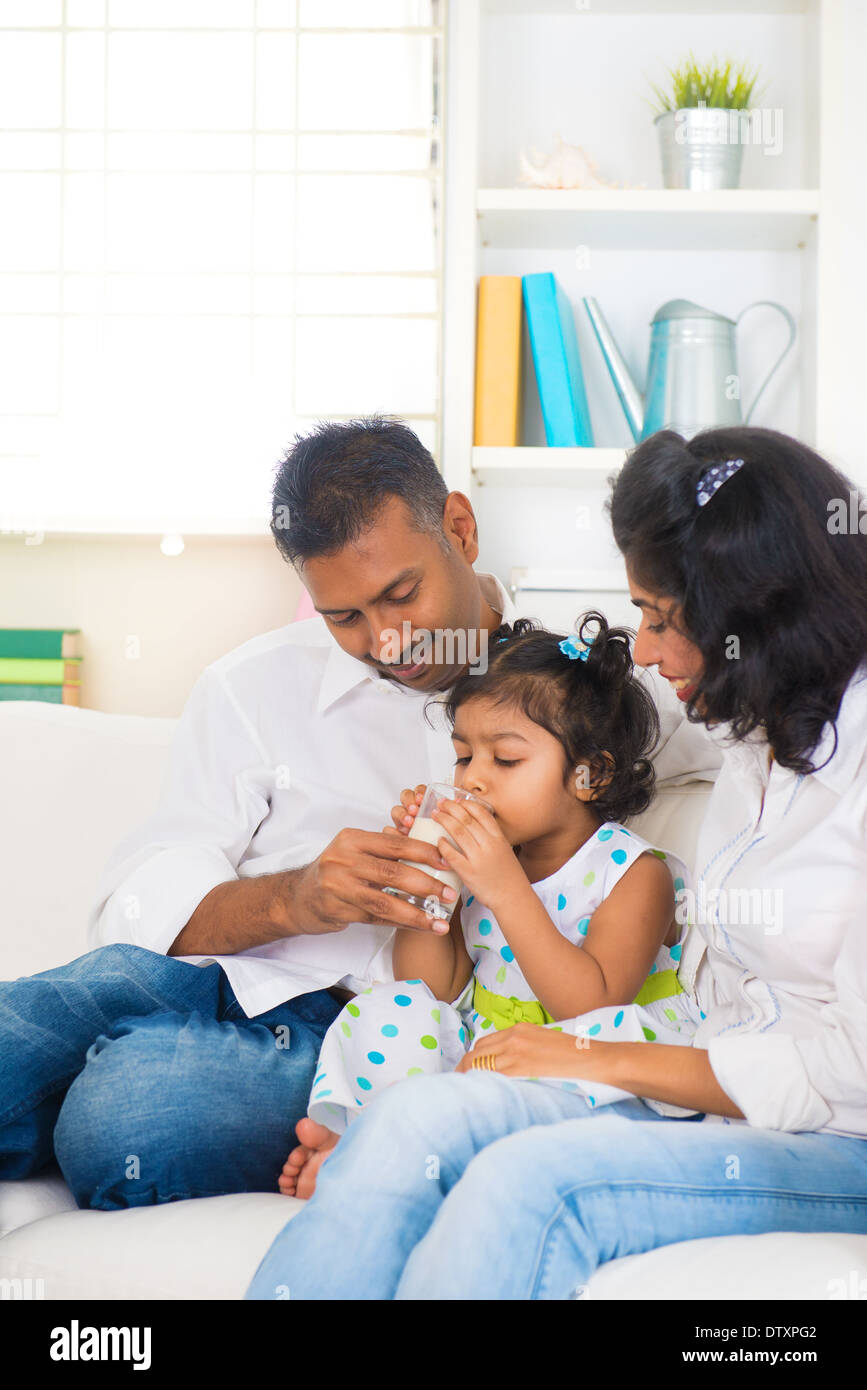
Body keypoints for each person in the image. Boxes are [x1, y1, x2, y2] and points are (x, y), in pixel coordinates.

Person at [0, 417, 720, 1210]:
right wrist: (293, 898)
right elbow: (136, 906)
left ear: (459, 527)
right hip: (232, 984)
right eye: (343, 617)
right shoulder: (250, 688)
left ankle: (112, 1080)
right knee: (95, 989)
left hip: (379, 1043)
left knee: (130, 1115)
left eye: (400, 593)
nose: (387, 639)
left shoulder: (589, 689)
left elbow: (773, 726)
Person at [246, 426, 867, 1301]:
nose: (644, 648)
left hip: (834, 1139)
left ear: (750, 614)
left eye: (660, 617)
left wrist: (591, 1057)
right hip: (702, 1084)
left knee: (520, 1185)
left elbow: (845, 1072)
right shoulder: (754, 738)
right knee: (413, 1116)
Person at [280, 614, 697, 1199]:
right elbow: (433, 985)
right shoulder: (489, 861)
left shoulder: (632, 873)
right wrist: (432, 875)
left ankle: (402, 1156)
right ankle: (368, 1138)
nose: (473, 781)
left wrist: (505, 888)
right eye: (462, 757)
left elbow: (591, 1008)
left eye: (504, 761)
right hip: (485, 1055)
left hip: (585, 1060)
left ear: (590, 774)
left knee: (586, 1053)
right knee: (394, 1008)